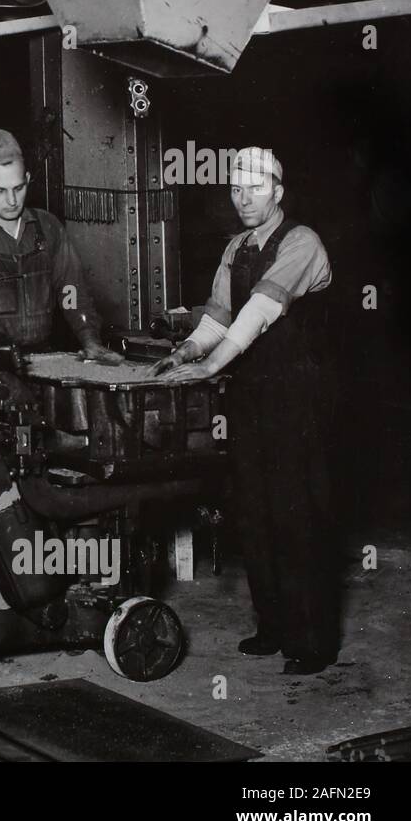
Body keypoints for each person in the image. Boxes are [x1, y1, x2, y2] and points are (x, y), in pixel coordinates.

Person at [153, 147, 336, 675]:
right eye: (235, 189)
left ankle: (313, 640)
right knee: (255, 512)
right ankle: (273, 626)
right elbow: (219, 317)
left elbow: (259, 312)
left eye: (255, 188)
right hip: (250, 398)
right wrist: (187, 351)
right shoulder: (236, 247)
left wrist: (213, 366)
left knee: (296, 513)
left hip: (299, 400)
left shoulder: (303, 242)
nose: (244, 198)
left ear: (278, 190)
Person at [0, 129, 122, 364]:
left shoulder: (49, 227)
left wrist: (89, 339)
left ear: (28, 179)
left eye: (18, 188)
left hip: (42, 359)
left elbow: (72, 290)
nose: (12, 201)